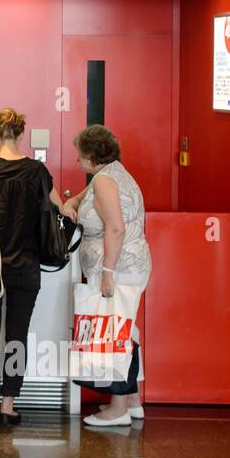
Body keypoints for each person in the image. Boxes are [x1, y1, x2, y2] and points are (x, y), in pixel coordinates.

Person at [0, 108, 62, 425]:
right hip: (26, 265)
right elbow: (59, 207)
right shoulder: (37, 170)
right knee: (17, 336)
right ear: (21, 134)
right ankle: (8, 406)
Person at [62, 124, 152, 427]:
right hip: (129, 265)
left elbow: (116, 228)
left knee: (118, 335)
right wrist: (71, 204)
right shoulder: (111, 173)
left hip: (119, 269)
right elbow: (78, 198)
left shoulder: (104, 182)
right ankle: (133, 400)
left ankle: (118, 409)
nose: (77, 160)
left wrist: (108, 273)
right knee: (128, 329)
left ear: (91, 155)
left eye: (79, 154)